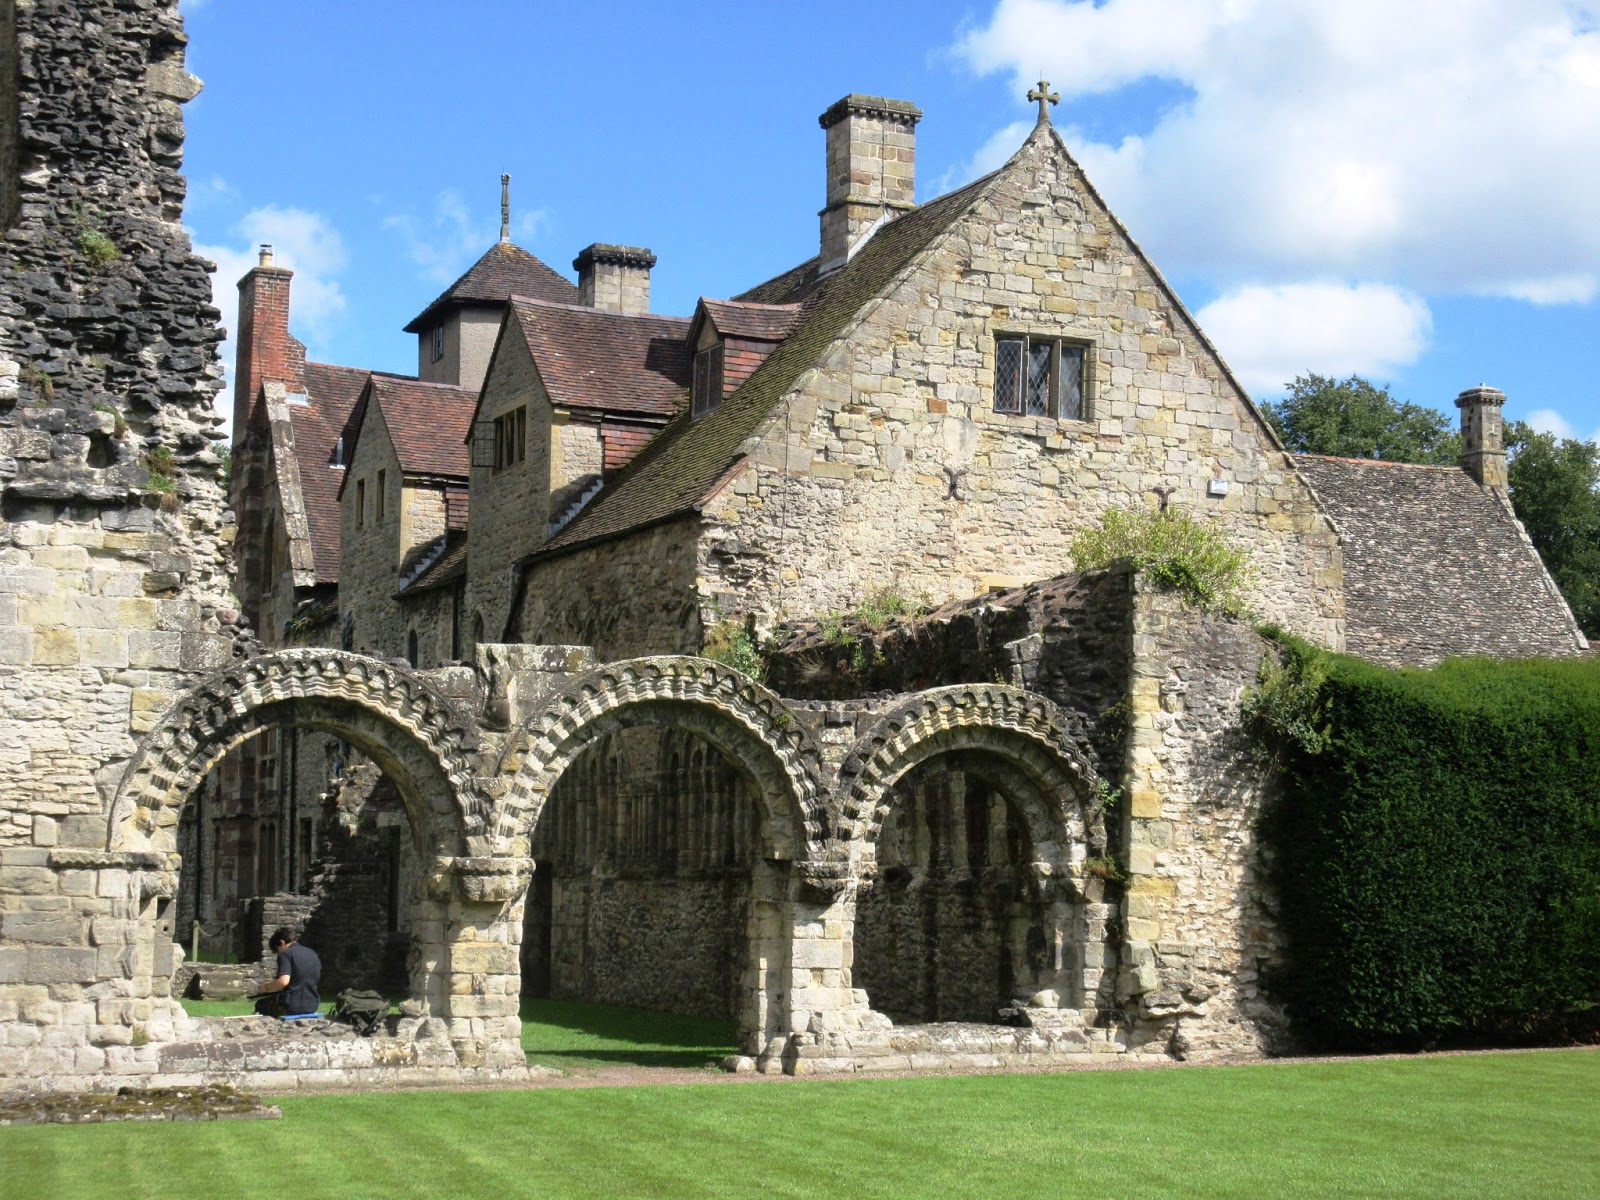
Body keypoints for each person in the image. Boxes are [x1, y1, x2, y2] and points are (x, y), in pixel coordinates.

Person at [253, 927, 322, 1017]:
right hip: (312, 1004)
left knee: (261, 1003)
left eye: (277, 950)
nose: (278, 954)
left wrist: (263, 987)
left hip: (291, 1004)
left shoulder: (286, 954)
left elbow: (283, 982)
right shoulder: (313, 954)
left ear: (282, 943)